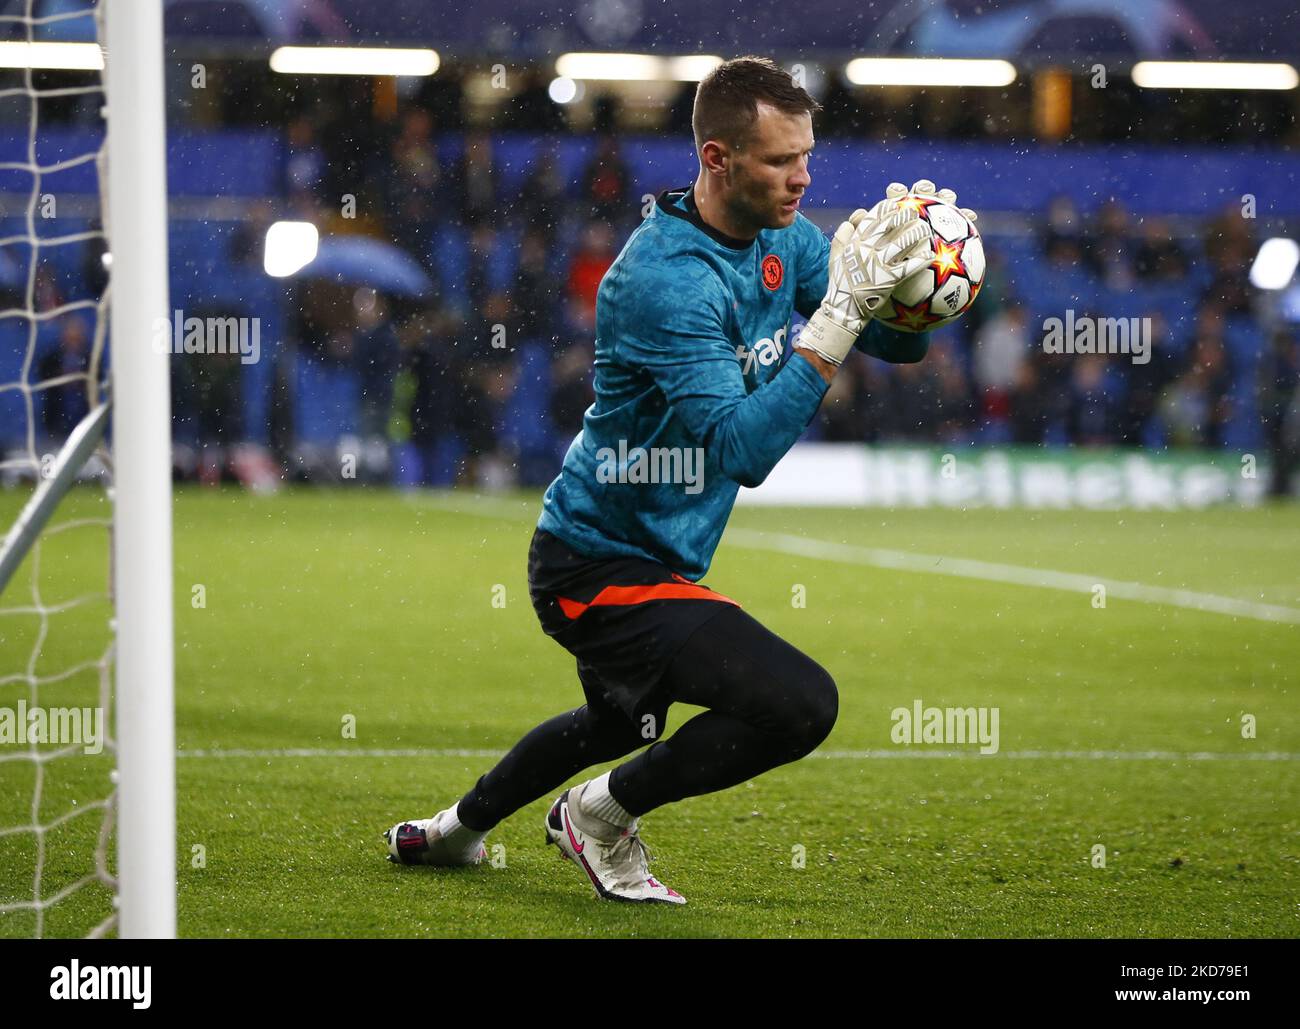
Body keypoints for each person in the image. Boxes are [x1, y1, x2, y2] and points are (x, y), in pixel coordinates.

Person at [383, 56, 975, 904]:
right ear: (716, 158)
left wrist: (930, 281)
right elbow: (744, 451)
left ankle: (452, 832)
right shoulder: (664, 279)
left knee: (616, 722)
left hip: (653, 561)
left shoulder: (784, 237)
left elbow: (898, 344)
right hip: (593, 565)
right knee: (801, 702)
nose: (801, 178)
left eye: (807, 156)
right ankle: (600, 814)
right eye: (779, 160)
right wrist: (842, 313)